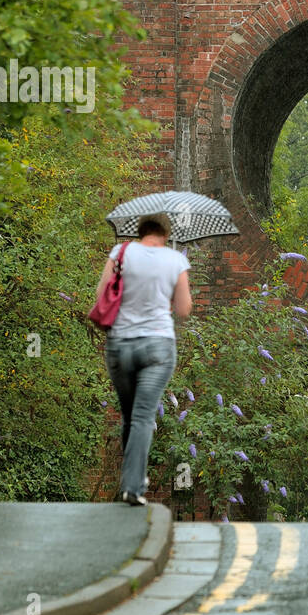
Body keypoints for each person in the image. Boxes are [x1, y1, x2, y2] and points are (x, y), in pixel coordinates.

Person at [94, 213, 193, 506]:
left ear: (140, 232)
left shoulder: (121, 253)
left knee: (130, 416)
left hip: (121, 344)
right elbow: (184, 308)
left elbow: (101, 294)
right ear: (164, 233)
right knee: (142, 417)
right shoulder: (176, 261)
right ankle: (133, 487)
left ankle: (131, 480)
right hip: (157, 347)